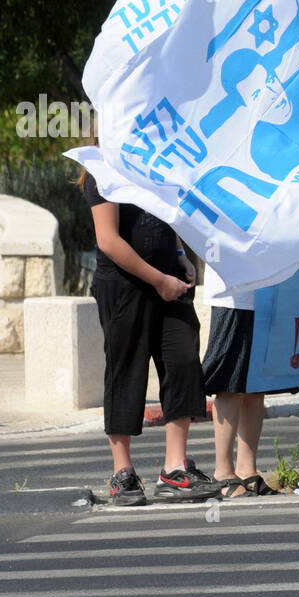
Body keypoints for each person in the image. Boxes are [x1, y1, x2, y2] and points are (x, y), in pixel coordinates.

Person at [82, 171, 219, 505]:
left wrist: (180, 255)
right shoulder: (101, 172)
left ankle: (174, 468)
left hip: (167, 279)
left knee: (184, 359)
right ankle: (123, 473)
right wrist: (159, 280)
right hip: (124, 285)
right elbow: (108, 241)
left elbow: (166, 214)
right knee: (126, 369)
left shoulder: (153, 162)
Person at [199, 266, 282, 498]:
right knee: (229, 383)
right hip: (232, 293)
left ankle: (248, 470)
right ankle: (223, 472)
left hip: (266, 290)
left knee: (256, 386)